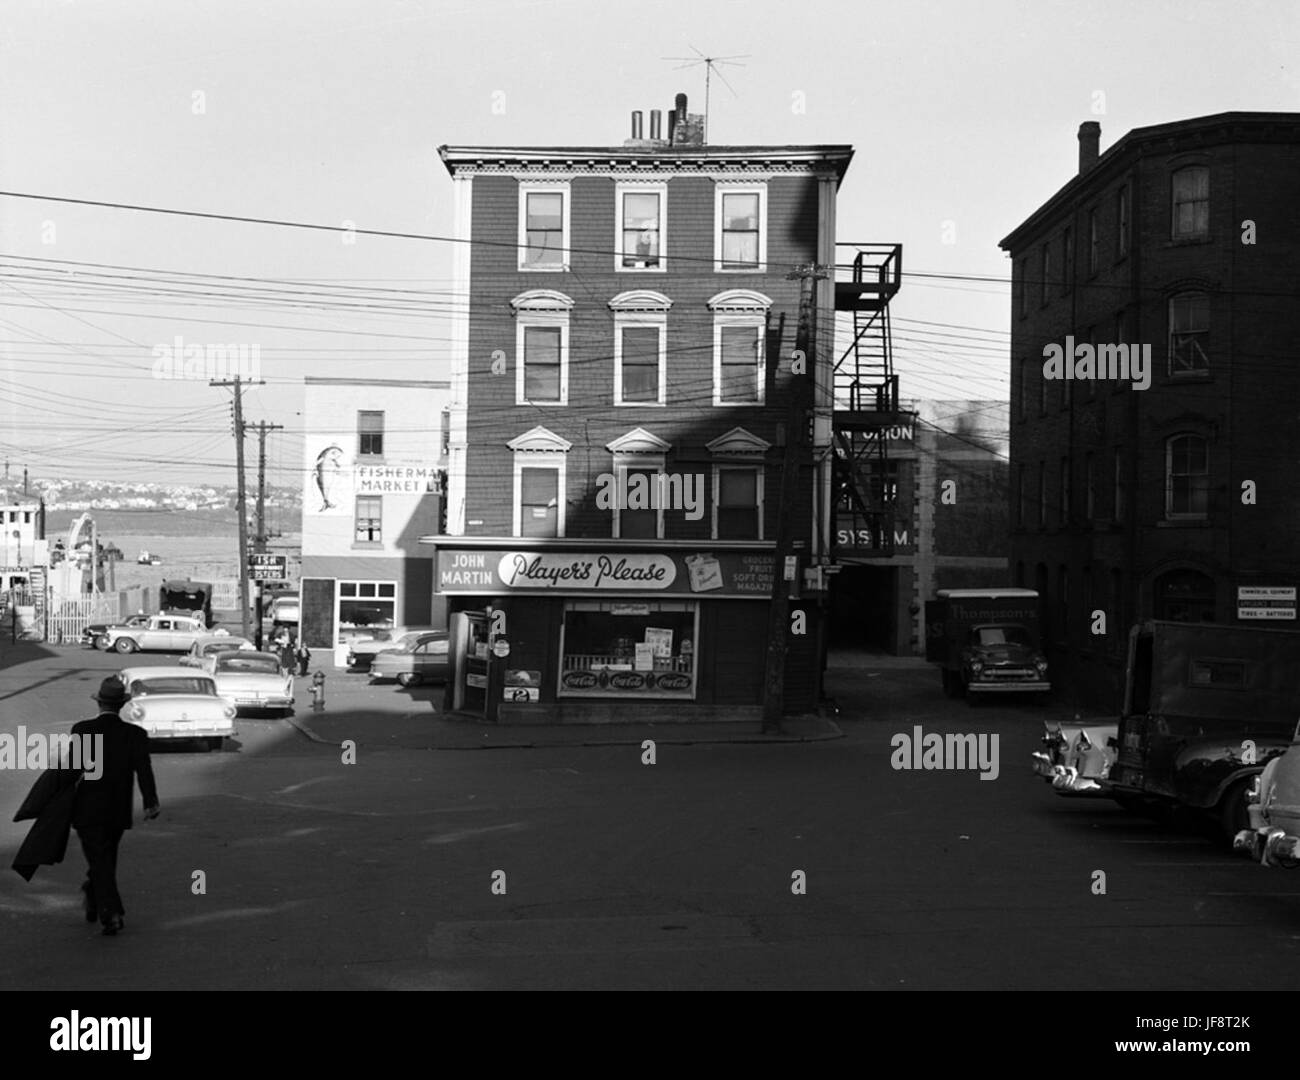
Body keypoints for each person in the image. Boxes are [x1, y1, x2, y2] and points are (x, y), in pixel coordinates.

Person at [71, 677, 160, 936]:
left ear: (99, 703)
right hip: (118, 808)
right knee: (106, 857)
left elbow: (72, 769)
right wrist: (150, 802)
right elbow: (144, 771)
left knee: (100, 859)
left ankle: (108, 911)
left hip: (87, 807)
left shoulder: (82, 730)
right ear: (121, 705)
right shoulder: (135, 734)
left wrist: (54, 799)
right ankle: (100, 899)